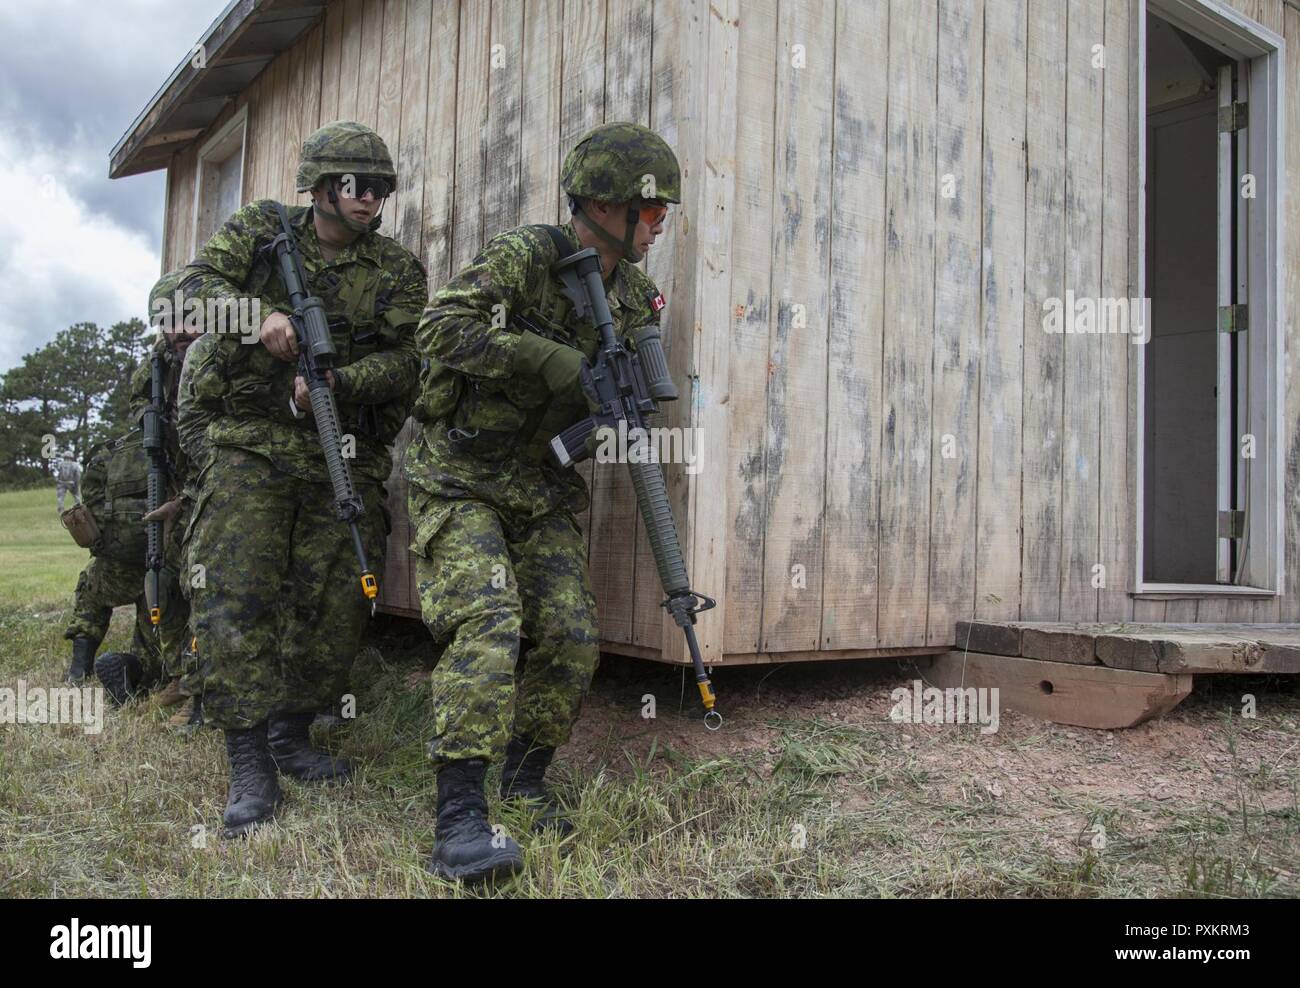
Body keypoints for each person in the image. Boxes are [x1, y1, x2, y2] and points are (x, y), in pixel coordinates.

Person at [407, 121, 680, 881]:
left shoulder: (634, 298)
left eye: (665, 214)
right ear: (601, 203)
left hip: (540, 480)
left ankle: (524, 780)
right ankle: (460, 816)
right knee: (490, 620)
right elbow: (439, 327)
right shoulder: (529, 257)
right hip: (459, 472)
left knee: (570, 636)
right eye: (651, 210)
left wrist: (611, 415)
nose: (659, 224)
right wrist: (547, 357)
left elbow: (628, 388)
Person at [177, 120, 426, 838]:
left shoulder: (397, 271)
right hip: (248, 443)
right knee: (236, 592)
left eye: (379, 187)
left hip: (338, 451)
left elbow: (410, 362)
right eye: (355, 184)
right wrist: (259, 319)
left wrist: (333, 382)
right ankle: (249, 759)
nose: (369, 198)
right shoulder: (261, 232)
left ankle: (291, 733)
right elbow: (180, 292)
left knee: (339, 600)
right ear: (318, 186)